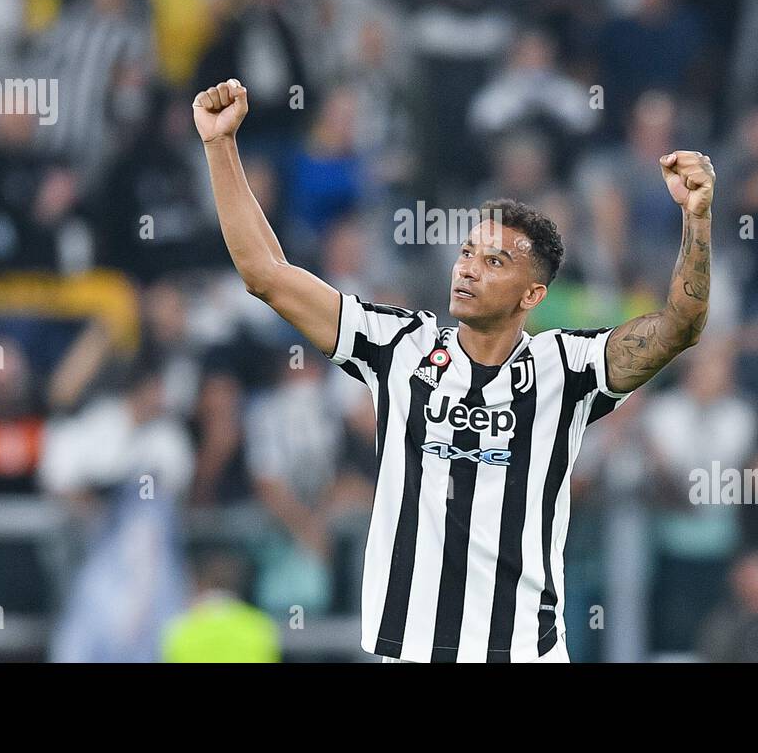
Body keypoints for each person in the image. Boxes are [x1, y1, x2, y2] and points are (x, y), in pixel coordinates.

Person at [195, 77, 715, 663]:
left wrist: (696, 220)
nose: (467, 269)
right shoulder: (400, 346)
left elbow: (680, 327)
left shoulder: (565, 368)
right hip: (408, 651)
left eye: (494, 262)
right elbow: (265, 273)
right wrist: (221, 146)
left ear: (532, 295)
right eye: (467, 252)